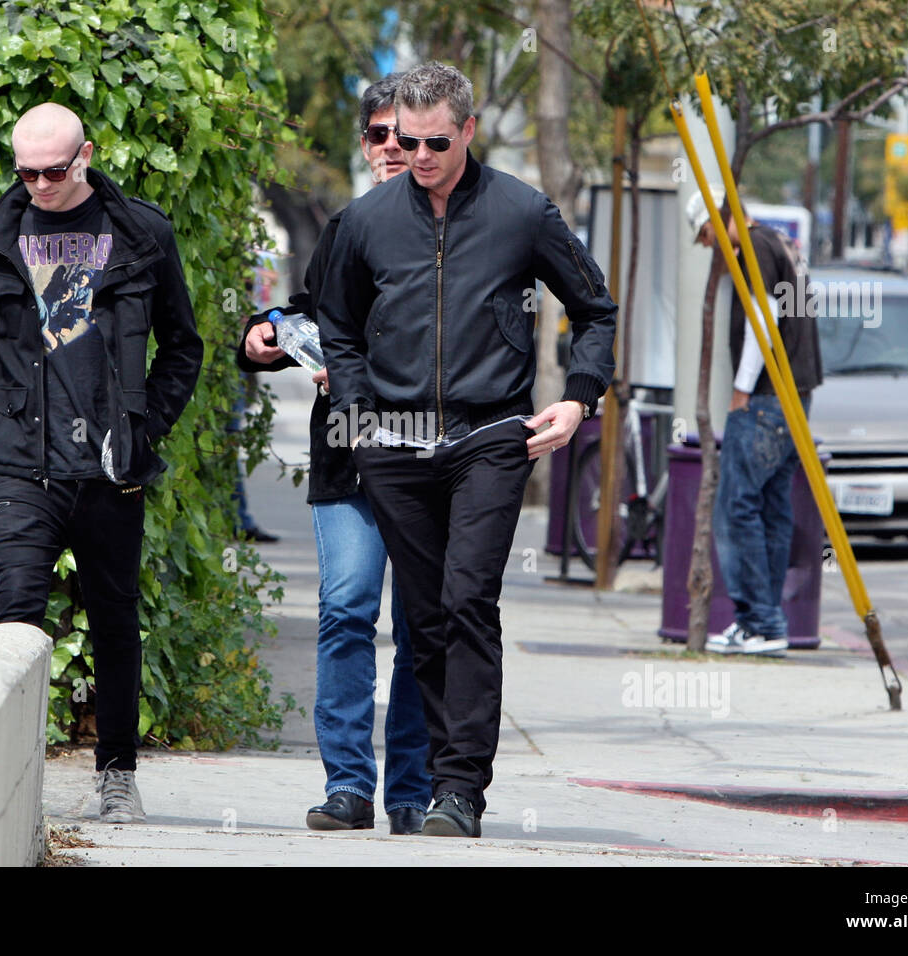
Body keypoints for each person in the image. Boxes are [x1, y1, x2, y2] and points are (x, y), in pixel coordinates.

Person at [316, 62, 617, 838]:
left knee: (466, 603)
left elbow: (595, 310)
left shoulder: (522, 212)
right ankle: (424, 782)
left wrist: (580, 397)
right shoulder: (368, 219)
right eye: (406, 140)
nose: (417, 155)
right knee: (423, 616)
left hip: (490, 437)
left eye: (435, 141)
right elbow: (339, 327)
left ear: (469, 131)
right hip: (393, 444)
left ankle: (460, 791)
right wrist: (353, 407)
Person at [0, 103, 203, 823]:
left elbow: (184, 346)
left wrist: (143, 429)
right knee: (15, 620)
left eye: (53, 172)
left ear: (85, 155)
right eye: (24, 172)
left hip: (109, 470)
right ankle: (10, 787)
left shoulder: (141, 234)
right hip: (20, 466)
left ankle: (118, 776)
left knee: (115, 622)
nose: (37, 185)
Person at [238, 75, 431, 836]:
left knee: (420, 623)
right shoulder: (347, 225)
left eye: (411, 137)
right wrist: (265, 334)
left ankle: (412, 793)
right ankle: (349, 786)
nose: (396, 148)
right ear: (366, 145)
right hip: (349, 454)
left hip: (427, 459)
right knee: (348, 610)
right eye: (382, 135)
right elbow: (315, 317)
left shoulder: (456, 226)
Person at [685, 187, 823, 657]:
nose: (707, 246)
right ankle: (768, 624)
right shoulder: (780, 242)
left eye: (705, 234)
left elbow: (764, 316)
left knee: (735, 507)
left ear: (721, 219)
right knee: (771, 509)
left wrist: (742, 388)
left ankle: (758, 619)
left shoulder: (753, 246)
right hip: (793, 397)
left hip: (766, 398)